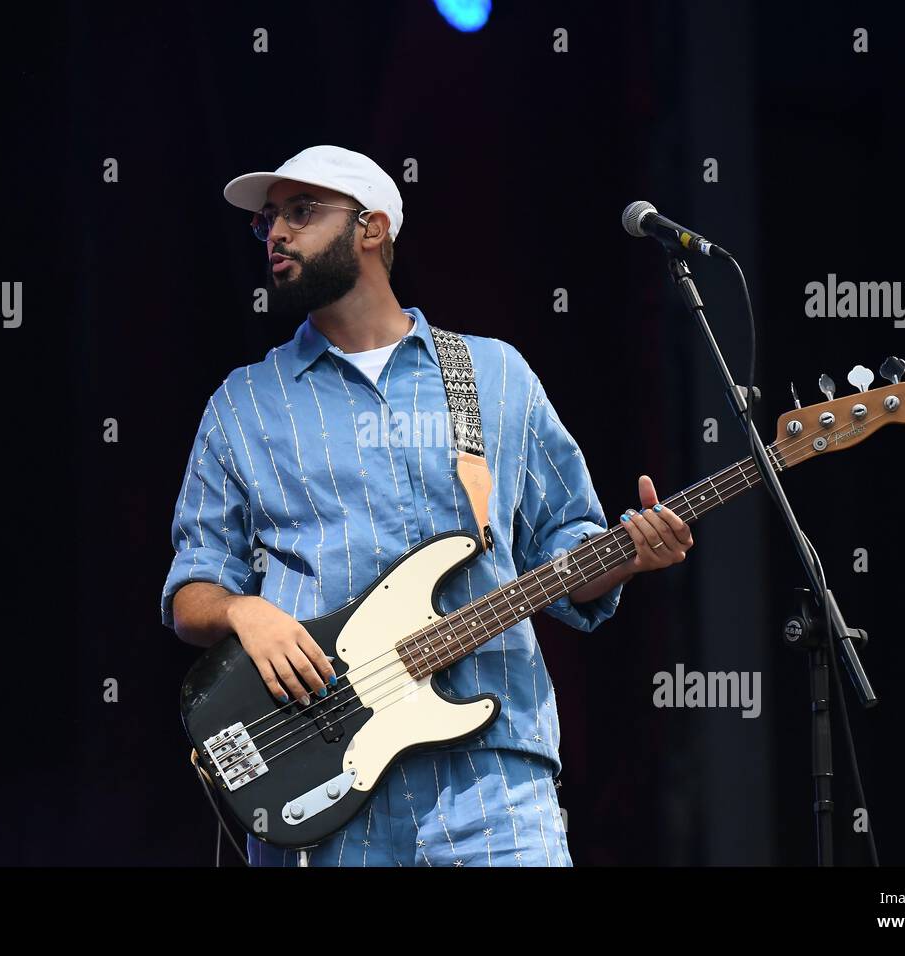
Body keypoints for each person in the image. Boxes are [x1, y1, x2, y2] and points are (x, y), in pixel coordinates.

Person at [161, 145, 694, 866]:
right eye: (268, 222)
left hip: (495, 785)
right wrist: (240, 611)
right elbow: (191, 588)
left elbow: (568, 555)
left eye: (301, 211)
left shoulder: (493, 374)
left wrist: (627, 556)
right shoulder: (243, 404)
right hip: (318, 792)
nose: (276, 234)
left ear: (372, 228)